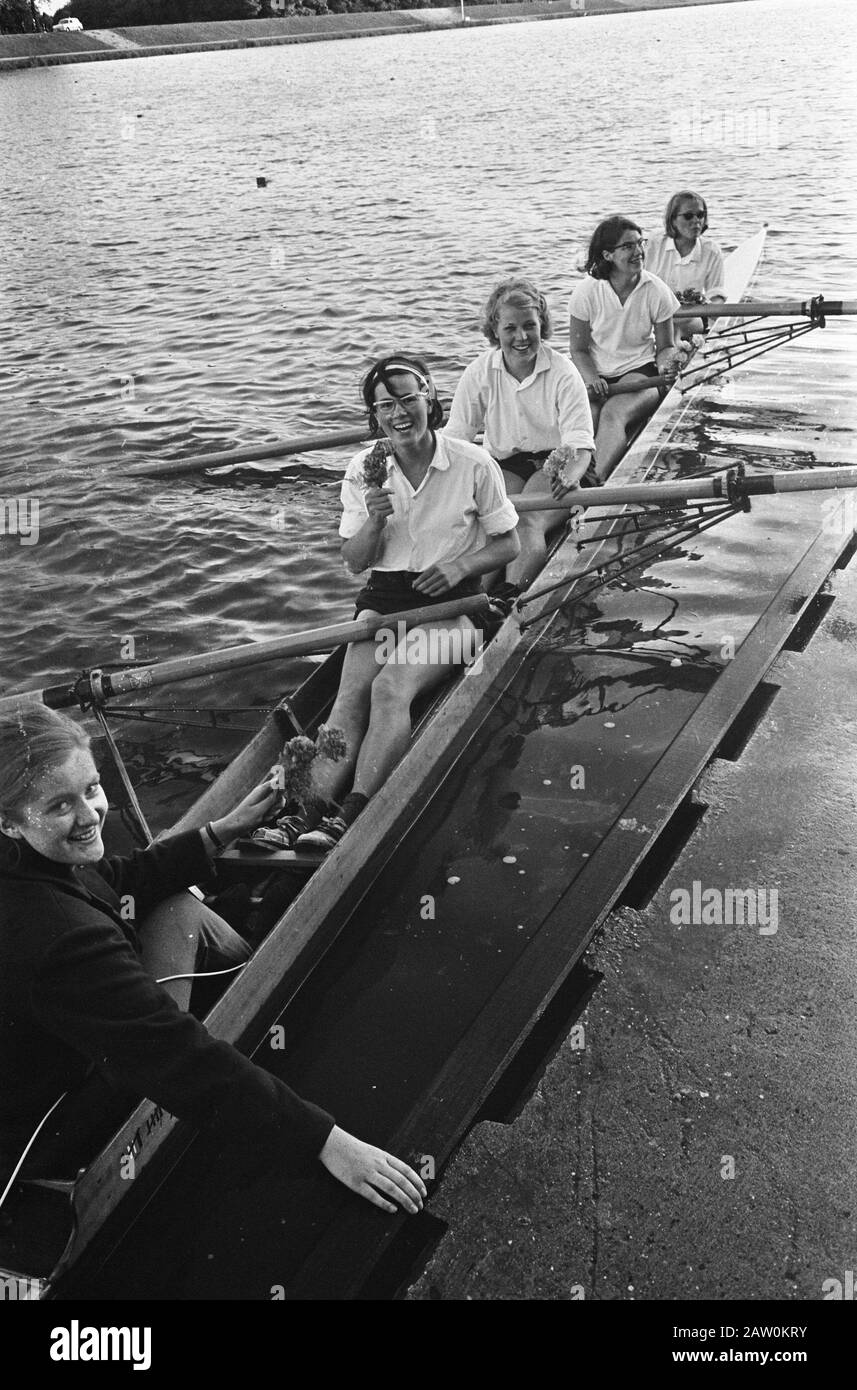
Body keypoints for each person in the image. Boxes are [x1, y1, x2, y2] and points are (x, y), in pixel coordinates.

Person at [0, 704, 426, 1216]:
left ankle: (250, 976)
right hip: (56, 1129)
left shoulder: (22, 859)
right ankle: (262, 991)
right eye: (60, 806)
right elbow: (174, 1056)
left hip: (39, 1064)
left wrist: (221, 830)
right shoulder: (61, 938)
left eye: (91, 789)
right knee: (181, 945)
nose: (90, 815)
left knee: (177, 905)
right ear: (9, 822)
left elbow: (114, 880)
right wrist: (324, 1140)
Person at [288, 353, 520, 855]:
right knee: (350, 697)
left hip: (454, 603)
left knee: (391, 687)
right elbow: (355, 562)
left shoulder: (474, 463)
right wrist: (373, 521)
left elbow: (510, 545)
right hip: (385, 598)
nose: (399, 414)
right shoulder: (363, 469)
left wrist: (460, 566)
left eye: (408, 400)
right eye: (385, 406)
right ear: (375, 416)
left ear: (429, 398)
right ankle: (303, 812)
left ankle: (350, 814)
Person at [444, 278, 596, 589]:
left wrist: (571, 476)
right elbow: (456, 438)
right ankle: (472, 601)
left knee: (525, 521)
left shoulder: (564, 372)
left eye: (530, 326)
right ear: (495, 330)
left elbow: (580, 445)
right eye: (510, 328)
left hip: (561, 463)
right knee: (487, 523)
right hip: (509, 465)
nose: (522, 337)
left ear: (542, 326)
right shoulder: (478, 372)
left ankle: (508, 598)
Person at [569, 215, 680, 482]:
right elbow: (579, 350)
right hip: (597, 376)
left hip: (640, 372)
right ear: (607, 255)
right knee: (587, 417)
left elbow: (666, 346)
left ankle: (592, 483)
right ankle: (566, 478)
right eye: (628, 246)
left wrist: (668, 365)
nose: (638, 251)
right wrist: (592, 379)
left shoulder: (656, 289)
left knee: (613, 413)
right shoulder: (586, 291)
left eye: (640, 243)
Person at [645, 191, 726, 339]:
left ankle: (674, 344)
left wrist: (711, 307)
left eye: (700, 215)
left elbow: (716, 295)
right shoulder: (653, 243)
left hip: (690, 319)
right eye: (688, 216)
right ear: (673, 220)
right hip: (653, 316)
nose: (696, 221)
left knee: (682, 324)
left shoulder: (712, 251)